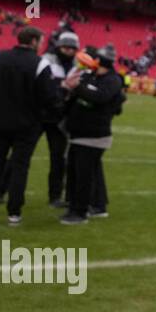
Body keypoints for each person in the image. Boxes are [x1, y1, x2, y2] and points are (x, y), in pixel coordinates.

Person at [0, 25, 63, 226]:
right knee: (20, 168)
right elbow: (49, 97)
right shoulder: (40, 64)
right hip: (26, 125)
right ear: (34, 41)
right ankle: (14, 212)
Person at [60, 46, 125, 225]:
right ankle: (92, 206)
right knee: (77, 172)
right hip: (78, 132)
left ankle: (80, 212)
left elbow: (100, 97)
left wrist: (78, 87)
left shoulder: (112, 80)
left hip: (94, 135)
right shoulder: (91, 75)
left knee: (83, 175)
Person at [40, 30, 79, 207]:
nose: (69, 50)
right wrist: (62, 86)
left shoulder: (77, 66)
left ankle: (55, 196)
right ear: (59, 46)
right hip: (39, 115)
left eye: (72, 48)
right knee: (21, 155)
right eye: (66, 46)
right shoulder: (46, 60)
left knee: (58, 159)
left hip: (59, 119)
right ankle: (1, 190)